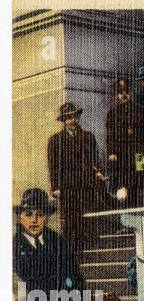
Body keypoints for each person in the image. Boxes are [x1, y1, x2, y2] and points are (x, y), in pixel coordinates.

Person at [46, 102, 109, 254]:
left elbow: (95, 161)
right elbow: (53, 166)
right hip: (67, 188)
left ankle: (92, 252)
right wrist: (55, 188)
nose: (72, 120)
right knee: (70, 222)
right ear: (63, 120)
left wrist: (98, 172)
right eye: (68, 118)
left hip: (87, 186)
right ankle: (73, 254)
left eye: (74, 116)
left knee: (88, 218)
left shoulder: (88, 137)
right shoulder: (55, 140)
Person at [13, 188, 85, 298]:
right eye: (28, 214)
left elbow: (72, 276)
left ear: (46, 217)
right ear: (21, 218)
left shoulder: (58, 242)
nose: (34, 220)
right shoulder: (14, 246)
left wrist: (71, 287)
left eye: (40, 214)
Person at [105, 77, 144, 208]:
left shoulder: (140, 111)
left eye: (127, 91)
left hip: (139, 154)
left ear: (131, 93)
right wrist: (111, 152)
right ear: (116, 95)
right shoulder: (112, 114)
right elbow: (110, 137)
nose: (124, 95)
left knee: (141, 181)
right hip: (122, 156)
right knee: (124, 185)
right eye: (121, 92)